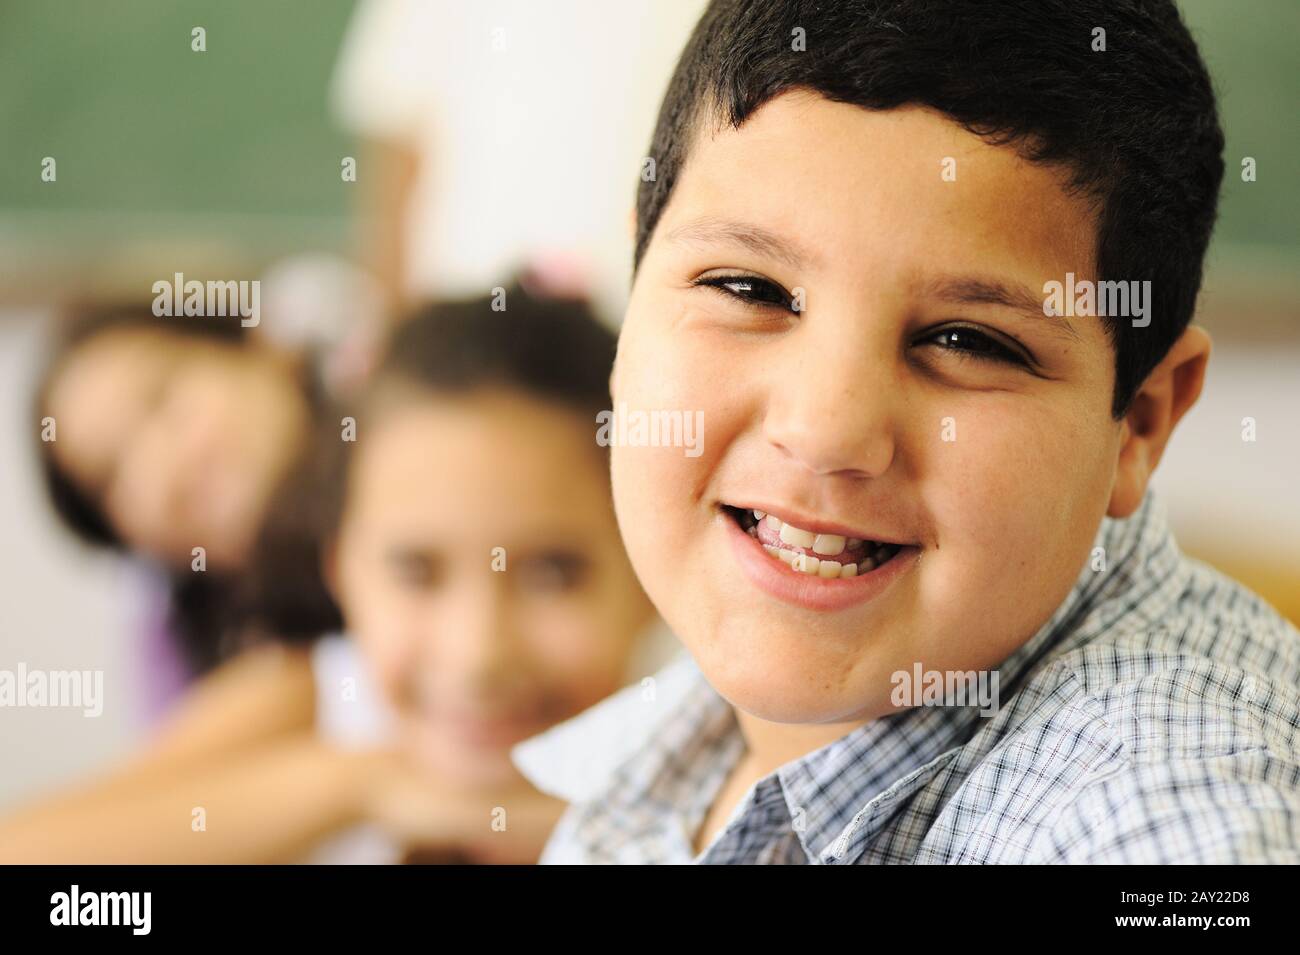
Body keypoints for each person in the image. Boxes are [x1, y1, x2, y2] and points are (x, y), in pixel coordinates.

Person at [511, 0, 1300, 863]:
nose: (824, 430)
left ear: (1140, 423)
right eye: (748, 289)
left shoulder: (1158, 794)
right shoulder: (688, 722)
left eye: (966, 341)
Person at [0, 283, 671, 864]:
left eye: (553, 572)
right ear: (339, 568)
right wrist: (365, 785)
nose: (477, 655)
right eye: (416, 570)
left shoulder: (714, 761)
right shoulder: (317, 697)